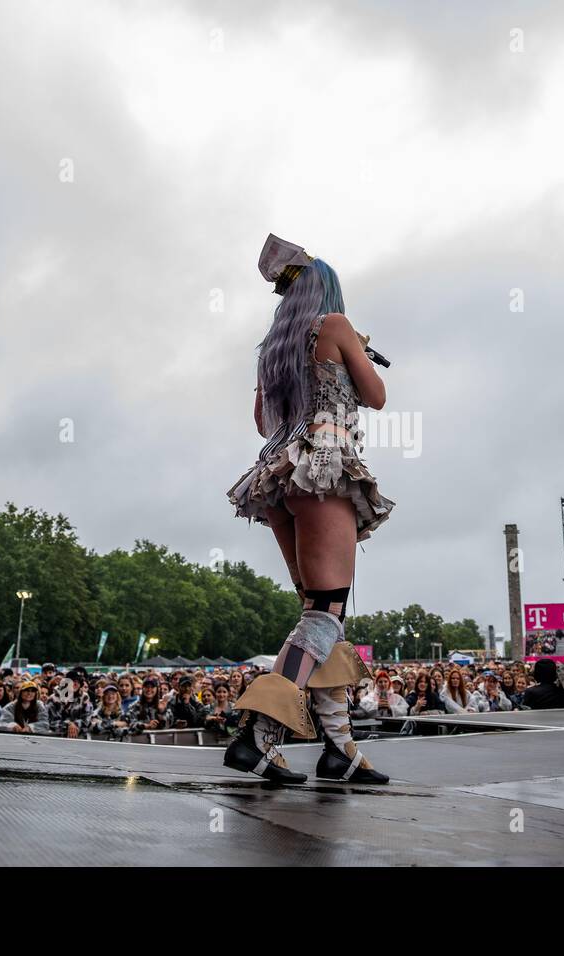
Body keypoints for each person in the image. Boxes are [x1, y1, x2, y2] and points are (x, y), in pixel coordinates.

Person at [224, 234, 392, 786]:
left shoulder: (273, 349)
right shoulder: (335, 328)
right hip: (324, 468)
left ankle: (340, 747)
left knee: (323, 616)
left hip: (279, 472)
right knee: (324, 613)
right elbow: (376, 396)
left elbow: (263, 423)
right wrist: (357, 353)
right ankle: (261, 732)